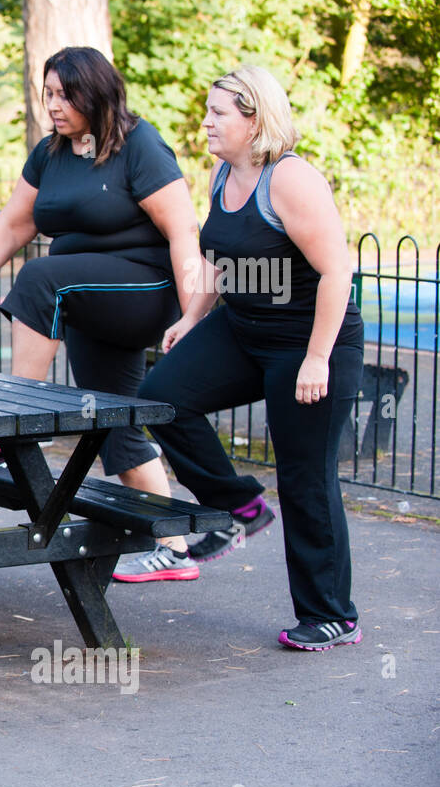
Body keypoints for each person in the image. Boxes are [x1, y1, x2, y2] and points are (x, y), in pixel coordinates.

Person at [0, 46, 207, 583]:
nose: (53, 105)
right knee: (115, 420)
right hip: (83, 295)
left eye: (65, 95)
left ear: (97, 93)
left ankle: (14, 426)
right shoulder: (50, 152)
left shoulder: (139, 146)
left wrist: (190, 314)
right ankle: (174, 549)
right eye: (49, 94)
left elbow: (183, 233)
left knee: (39, 277)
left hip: (141, 289)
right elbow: (15, 224)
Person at [137, 66, 364, 650]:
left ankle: (331, 614)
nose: (206, 122)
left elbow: (338, 272)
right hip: (242, 328)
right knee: (161, 398)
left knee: (306, 477)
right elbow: (220, 259)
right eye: (207, 111)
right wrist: (192, 318)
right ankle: (236, 504)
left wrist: (318, 360)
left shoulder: (291, 180)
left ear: (255, 119)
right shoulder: (222, 173)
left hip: (309, 339)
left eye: (219, 113)